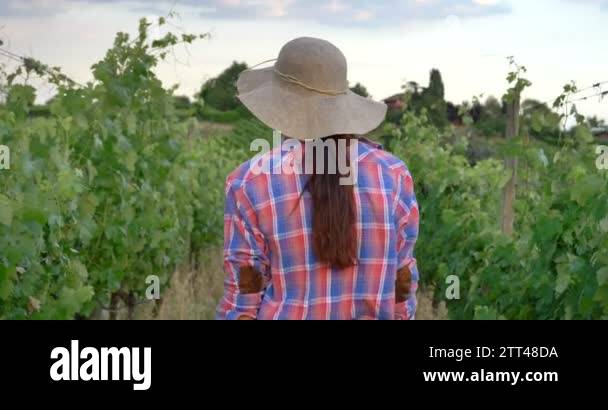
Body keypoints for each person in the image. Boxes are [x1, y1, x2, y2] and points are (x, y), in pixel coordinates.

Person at [216, 37, 419, 320]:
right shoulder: (394, 176)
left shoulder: (250, 182)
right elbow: (403, 286)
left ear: (278, 105)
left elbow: (243, 299)